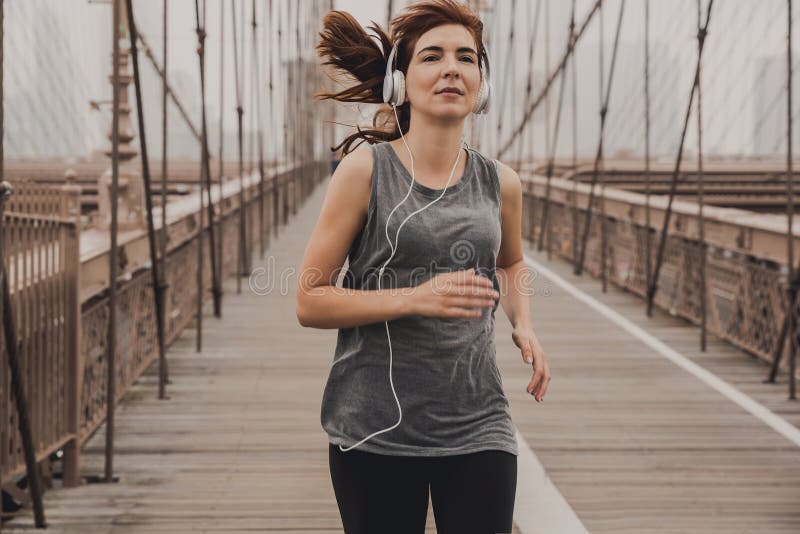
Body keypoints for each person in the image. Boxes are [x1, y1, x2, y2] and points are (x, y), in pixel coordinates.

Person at [296, 1, 551, 532]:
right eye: (432, 57)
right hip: (374, 429)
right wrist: (414, 297)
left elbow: (512, 260)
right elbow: (309, 299)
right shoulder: (365, 172)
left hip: (479, 421)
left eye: (466, 57)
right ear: (400, 83)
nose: (452, 68)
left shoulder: (500, 182)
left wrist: (522, 321)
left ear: (483, 82)